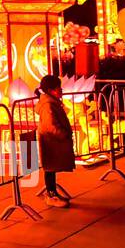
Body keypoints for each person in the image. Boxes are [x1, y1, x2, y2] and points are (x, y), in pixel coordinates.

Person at [35, 74, 75, 206]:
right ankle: (51, 195)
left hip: (52, 142)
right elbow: (50, 125)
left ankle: (52, 193)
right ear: (51, 90)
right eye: (59, 87)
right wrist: (63, 134)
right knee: (50, 168)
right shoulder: (48, 105)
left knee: (51, 168)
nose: (61, 90)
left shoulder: (52, 103)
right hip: (51, 142)